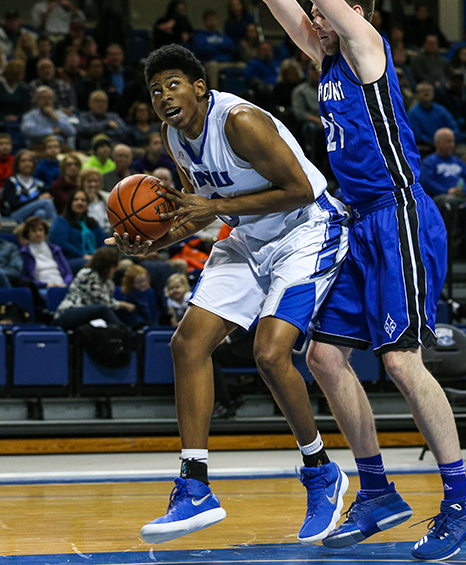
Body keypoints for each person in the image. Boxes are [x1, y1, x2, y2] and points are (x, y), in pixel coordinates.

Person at [264, 0, 466, 558]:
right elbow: (282, 10)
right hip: (355, 224)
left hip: (398, 216)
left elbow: (334, 11)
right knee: (322, 357)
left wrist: (330, 10)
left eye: (323, 10)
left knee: (400, 360)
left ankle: (462, 498)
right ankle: (378, 491)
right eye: (311, 13)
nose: (314, 19)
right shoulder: (324, 58)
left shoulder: (366, 48)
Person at [110, 44, 352, 547]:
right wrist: (151, 243)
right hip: (247, 235)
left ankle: (321, 471)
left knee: (269, 352)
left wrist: (217, 205)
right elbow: (195, 211)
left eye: (172, 84)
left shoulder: (240, 121)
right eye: (154, 90)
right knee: (187, 345)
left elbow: (301, 190)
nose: (162, 96)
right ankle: (194, 485)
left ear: (199, 87)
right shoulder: (173, 135)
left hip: (306, 230)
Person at [53, 246, 130, 328]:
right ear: (107, 265)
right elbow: (103, 301)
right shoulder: (87, 274)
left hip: (89, 315)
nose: (117, 268)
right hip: (69, 313)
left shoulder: (108, 281)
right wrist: (123, 305)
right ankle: (127, 333)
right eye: (115, 265)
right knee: (103, 309)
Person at [50, 188, 104, 272]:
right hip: (71, 259)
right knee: (95, 265)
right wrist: (82, 255)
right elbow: (61, 244)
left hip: (95, 258)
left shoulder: (92, 223)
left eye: (83, 200)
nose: (80, 203)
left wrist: (101, 255)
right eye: (76, 200)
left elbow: (104, 241)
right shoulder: (61, 222)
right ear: (70, 203)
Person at [2, 149, 58, 222]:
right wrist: (38, 199)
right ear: (17, 164)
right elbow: (13, 204)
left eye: (30, 161)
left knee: (41, 213)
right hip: (16, 214)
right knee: (47, 202)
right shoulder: (11, 181)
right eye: (23, 161)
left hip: (32, 215)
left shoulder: (39, 183)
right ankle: (57, 229)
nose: (27, 164)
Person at [19, 215, 72, 290]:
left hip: (61, 284)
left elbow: (68, 273)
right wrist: (45, 285)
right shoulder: (25, 253)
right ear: (27, 234)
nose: (38, 233)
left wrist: (65, 284)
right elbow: (25, 278)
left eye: (40, 230)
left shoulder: (56, 249)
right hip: (42, 287)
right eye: (34, 231)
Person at [407, 82, 458, 149]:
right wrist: (436, 142)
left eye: (429, 90)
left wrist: (447, 139)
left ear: (433, 93)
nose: (426, 93)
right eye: (423, 91)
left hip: (446, 144)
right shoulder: (413, 113)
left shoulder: (441, 110)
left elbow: (454, 128)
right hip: (426, 147)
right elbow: (417, 135)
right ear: (417, 95)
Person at [114, 263, 158, 329]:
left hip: (150, 324)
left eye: (144, 280)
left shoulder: (150, 291)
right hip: (133, 325)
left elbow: (153, 312)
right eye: (138, 282)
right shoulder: (125, 294)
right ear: (130, 283)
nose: (143, 284)